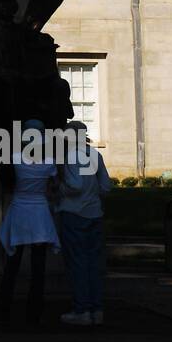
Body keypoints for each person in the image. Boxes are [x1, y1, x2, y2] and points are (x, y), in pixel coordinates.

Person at [0, 118, 61, 327]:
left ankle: (3, 310)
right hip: (39, 213)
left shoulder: (14, 158)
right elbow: (55, 186)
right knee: (38, 266)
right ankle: (34, 312)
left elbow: (6, 182)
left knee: (12, 265)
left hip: (20, 212)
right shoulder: (49, 162)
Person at [56, 120, 112, 326]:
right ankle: (96, 309)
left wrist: (60, 187)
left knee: (77, 263)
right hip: (94, 213)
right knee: (92, 263)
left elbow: (75, 186)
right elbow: (106, 186)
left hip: (74, 213)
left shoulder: (70, 156)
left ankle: (82, 310)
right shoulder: (95, 155)